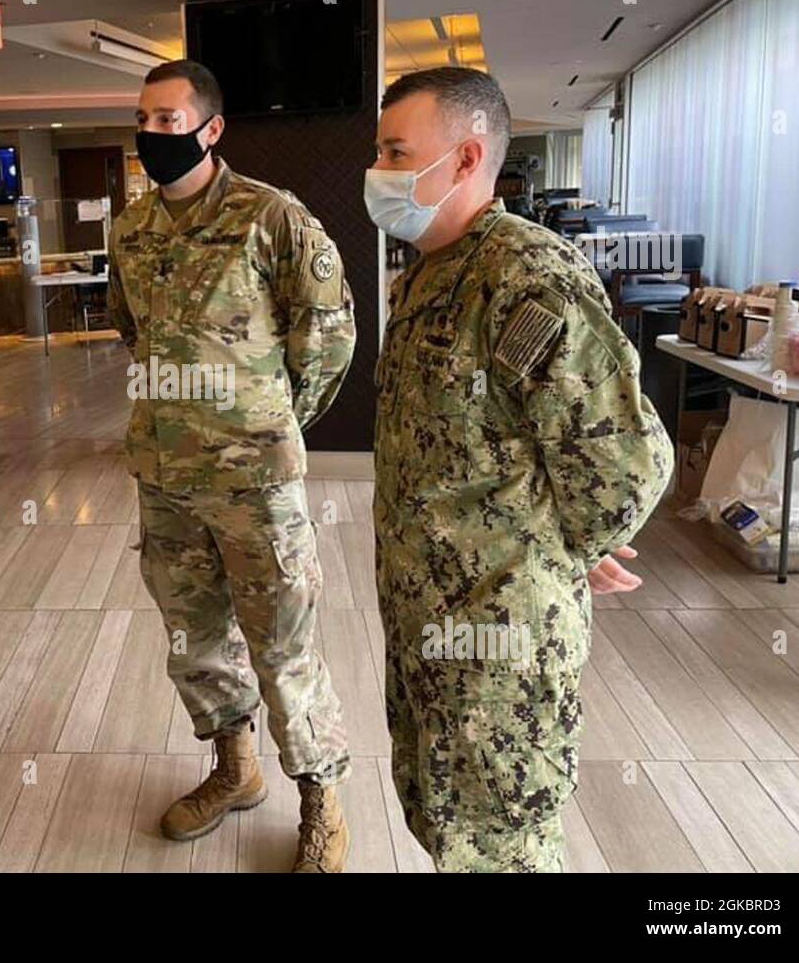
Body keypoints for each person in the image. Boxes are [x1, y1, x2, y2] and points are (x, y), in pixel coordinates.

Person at [367, 66, 673, 872]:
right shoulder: (431, 269)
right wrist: (563, 527)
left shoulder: (526, 276)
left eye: (398, 151)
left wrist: (570, 544)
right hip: (429, 622)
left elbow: (625, 465)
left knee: (502, 845)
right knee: (447, 822)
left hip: (499, 646)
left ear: (467, 159)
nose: (381, 170)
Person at [107, 59, 356, 872]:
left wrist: (269, 423)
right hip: (165, 477)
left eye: (170, 120)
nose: (153, 134)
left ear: (211, 129)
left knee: (283, 641)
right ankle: (235, 767)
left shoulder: (271, 218)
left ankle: (320, 797)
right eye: (145, 118)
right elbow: (130, 331)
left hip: (255, 479)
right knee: (195, 639)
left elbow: (326, 339)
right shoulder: (130, 230)